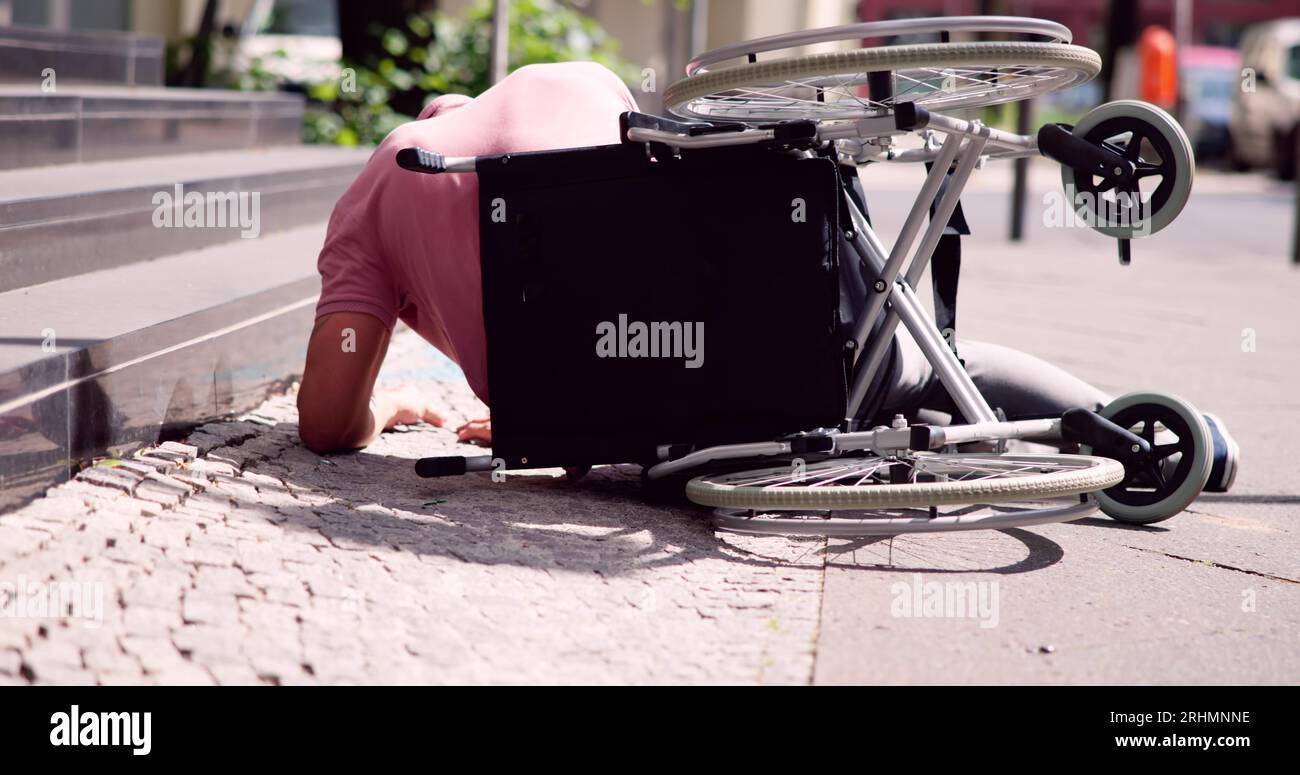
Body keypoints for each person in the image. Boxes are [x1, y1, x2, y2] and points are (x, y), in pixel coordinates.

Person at [296, 61, 1237, 492]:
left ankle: (1108, 431)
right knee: (908, 364)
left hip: (634, 404)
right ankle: (1131, 423)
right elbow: (627, 211)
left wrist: (410, 407)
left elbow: (326, 421)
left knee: (891, 393)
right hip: (739, 309)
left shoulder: (382, 186)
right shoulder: (569, 80)